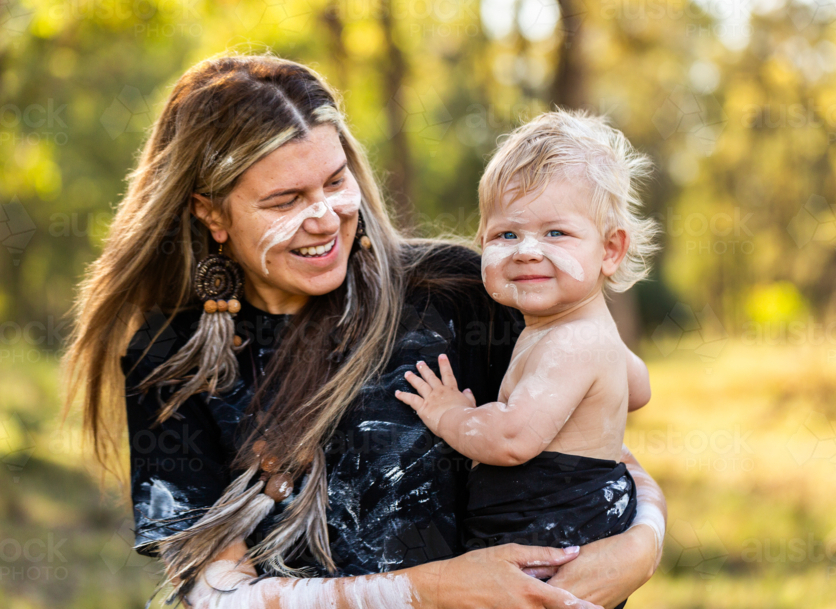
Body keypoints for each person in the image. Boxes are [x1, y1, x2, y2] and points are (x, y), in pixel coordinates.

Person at [63, 54, 667, 609]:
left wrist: (642, 544)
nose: (324, 218)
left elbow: (590, 435)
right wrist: (428, 591)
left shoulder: (454, 291)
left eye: (334, 181)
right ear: (211, 213)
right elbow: (216, 597)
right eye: (285, 200)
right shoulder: (172, 357)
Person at [395, 111, 660, 609]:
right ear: (481, 243)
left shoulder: (571, 342)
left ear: (610, 249)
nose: (528, 251)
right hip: (565, 524)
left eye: (556, 233)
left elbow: (513, 440)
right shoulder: (589, 332)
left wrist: (448, 414)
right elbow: (640, 388)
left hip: (550, 533)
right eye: (506, 236)